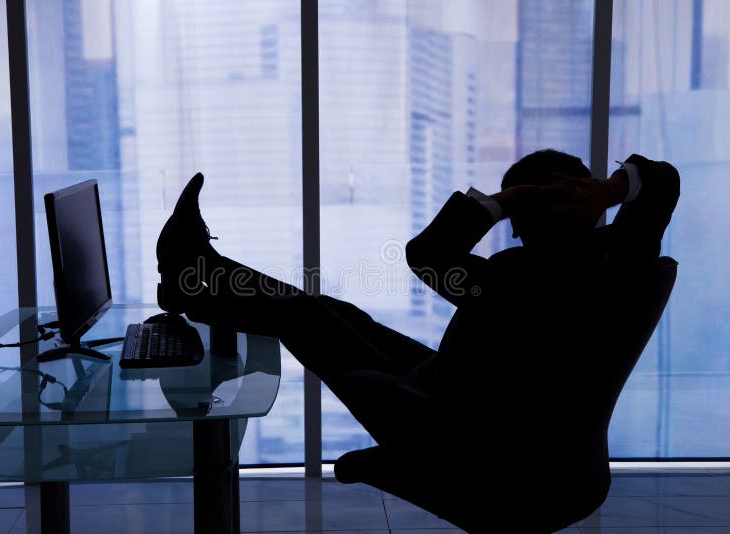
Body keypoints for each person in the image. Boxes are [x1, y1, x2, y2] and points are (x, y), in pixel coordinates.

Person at [155, 149, 679, 527]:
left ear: (517, 226)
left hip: (461, 437)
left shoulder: (511, 276)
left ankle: (194, 277)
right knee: (328, 310)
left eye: (570, 193)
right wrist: (608, 192)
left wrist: (507, 199)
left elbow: (425, 255)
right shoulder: (620, 260)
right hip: (513, 433)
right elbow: (663, 182)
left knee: (306, 316)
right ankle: (199, 274)